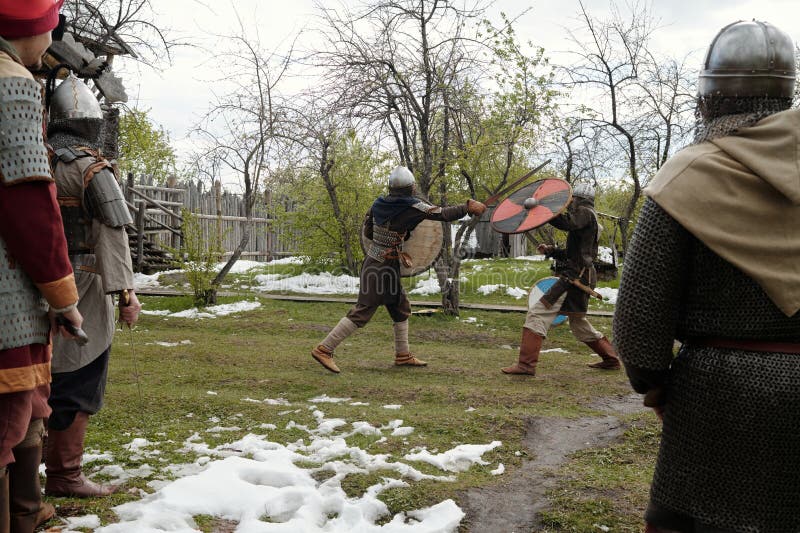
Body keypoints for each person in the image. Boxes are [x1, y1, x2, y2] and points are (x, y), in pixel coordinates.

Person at [613, 20, 800, 532]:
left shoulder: (687, 177)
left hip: (718, 396)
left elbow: (638, 324)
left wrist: (654, 389)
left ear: (709, 96)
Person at [0, 1, 83, 530]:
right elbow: (29, 206)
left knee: (27, 413)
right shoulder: (11, 84)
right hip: (7, 295)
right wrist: (64, 296)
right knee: (5, 425)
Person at [44, 74, 141, 498]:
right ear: (90, 123)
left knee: (30, 377)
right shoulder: (91, 167)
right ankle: (65, 476)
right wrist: (126, 292)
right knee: (79, 378)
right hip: (81, 286)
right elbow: (112, 234)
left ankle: (26, 478)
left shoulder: (31, 158)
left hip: (25, 284)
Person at [312, 166, 486, 373]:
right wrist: (467, 206)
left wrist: (393, 236)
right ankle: (325, 349)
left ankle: (403, 355)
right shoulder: (411, 207)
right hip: (380, 268)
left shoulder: (378, 204)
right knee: (363, 310)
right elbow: (443, 214)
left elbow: (368, 232)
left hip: (380, 263)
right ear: (410, 189)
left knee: (400, 307)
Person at [501, 181, 620, 375]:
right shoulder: (590, 218)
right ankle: (611, 358)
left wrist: (543, 211)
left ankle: (526, 365)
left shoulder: (585, 213)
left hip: (574, 277)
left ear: (579, 200)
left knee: (538, 312)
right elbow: (577, 253)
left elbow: (566, 223)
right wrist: (552, 251)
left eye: (573, 200)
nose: (570, 203)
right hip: (581, 275)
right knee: (578, 323)